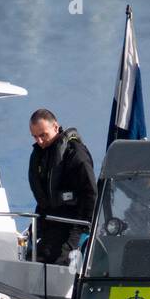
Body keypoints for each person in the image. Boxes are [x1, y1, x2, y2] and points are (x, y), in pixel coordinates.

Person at [28, 108, 97, 263]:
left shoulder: (76, 153)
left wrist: (82, 229)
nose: (39, 141)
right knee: (30, 257)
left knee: (53, 260)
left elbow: (91, 193)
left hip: (74, 224)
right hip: (49, 221)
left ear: (56, 127)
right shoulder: (40, 155)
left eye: (43, 135)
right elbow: (43, 197)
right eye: (35, 136)